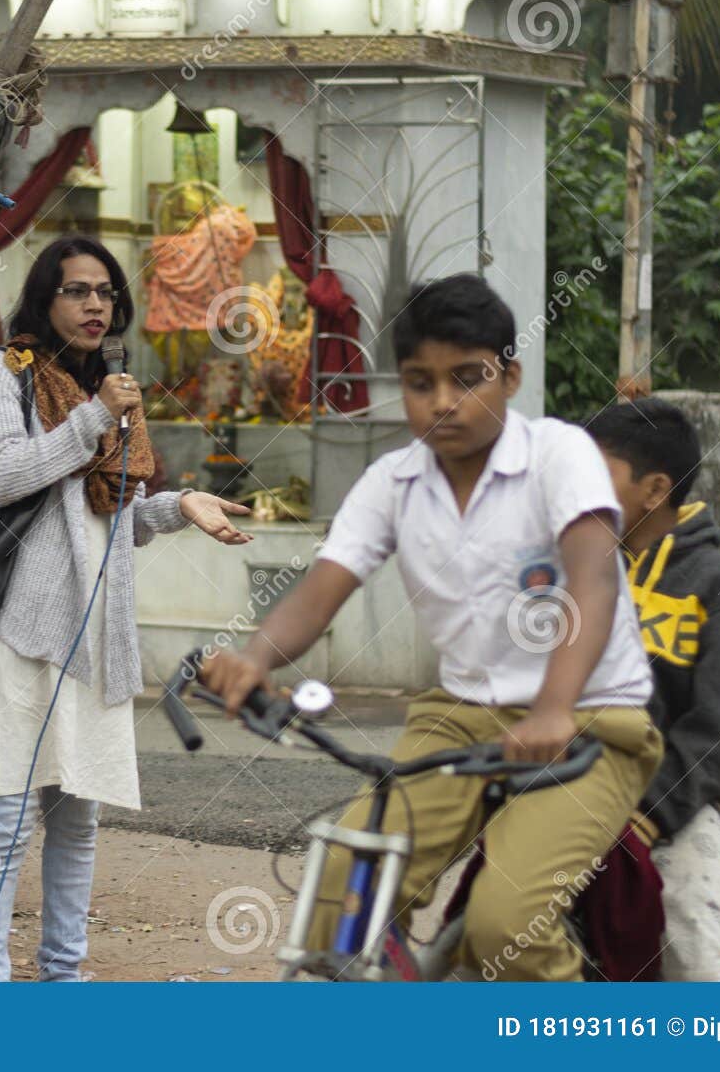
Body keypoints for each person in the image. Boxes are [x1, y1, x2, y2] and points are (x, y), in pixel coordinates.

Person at [199, 273, 664, 981]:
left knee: (504, 923)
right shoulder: (393, 482)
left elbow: (593, 582)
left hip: (588, 723)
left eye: (467, 377)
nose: (444, 401)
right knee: (338, 897)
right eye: (421, 382)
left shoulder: (559, 454)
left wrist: (553, 707)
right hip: (456, 720)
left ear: (510, 374)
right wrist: (254, 656)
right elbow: (322, 588)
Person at [0, 234, 254, 981]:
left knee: (78, 818)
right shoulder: (4, 374)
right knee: (7, 823)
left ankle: (65, 976)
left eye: (106, 293)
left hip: (96, 635)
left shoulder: (113, 388)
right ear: (43, 299)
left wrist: (180, 504)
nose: (95, 305)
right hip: (20, 630)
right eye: (78, 290)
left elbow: (111, 519)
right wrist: (90, 421)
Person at [588, 398, 720, 980]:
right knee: (492, 935)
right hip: (573, 789)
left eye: (598, 472)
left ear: (655, 489)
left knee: (695, 954)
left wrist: (651, 812)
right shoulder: (578, 569)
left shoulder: (718, 587)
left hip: (679, 810)